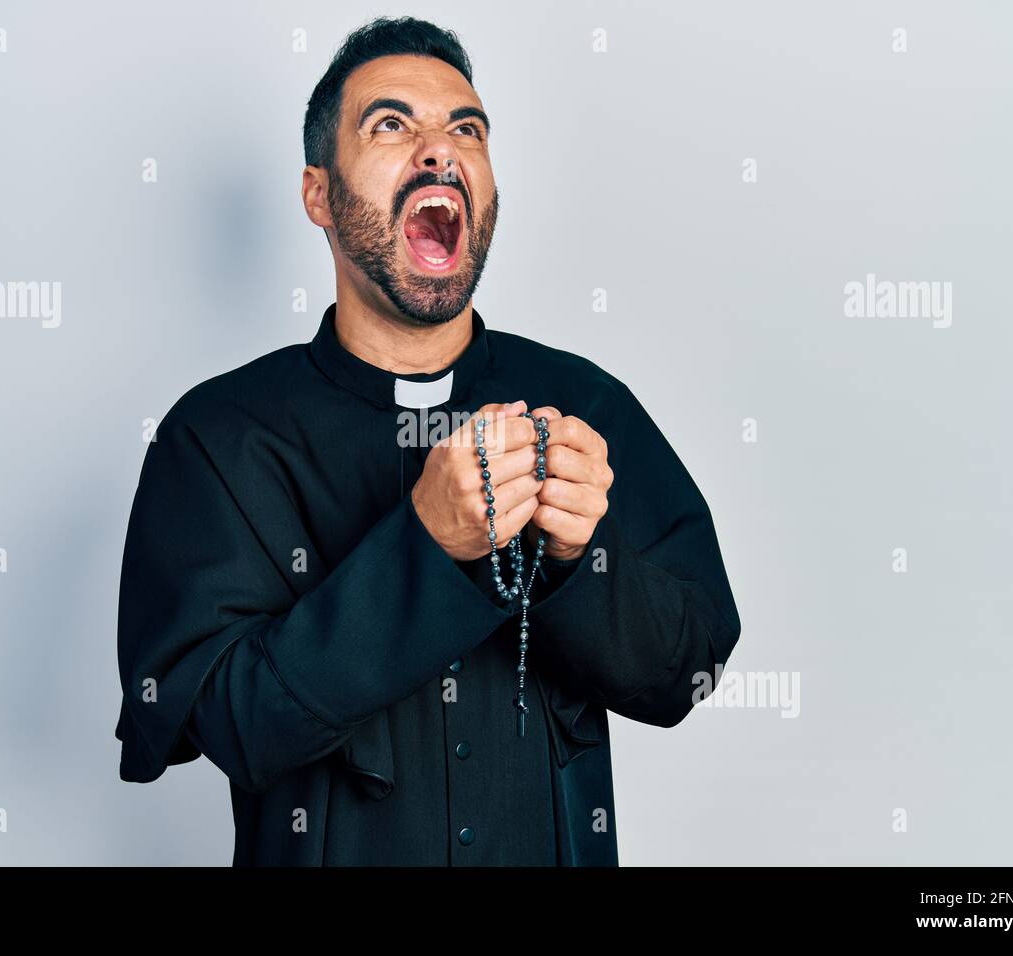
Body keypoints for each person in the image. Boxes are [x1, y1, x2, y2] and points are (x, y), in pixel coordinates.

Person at [114, 15, 742, 866]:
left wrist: (578, 564)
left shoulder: (587, 405)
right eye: (392, 125)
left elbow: (685, 674)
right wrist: (426, 548)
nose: (439, 151)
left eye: (466, 130)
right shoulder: (218, 440)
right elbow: (234, 725)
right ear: (319, 195)